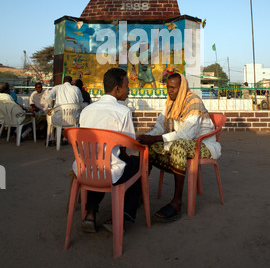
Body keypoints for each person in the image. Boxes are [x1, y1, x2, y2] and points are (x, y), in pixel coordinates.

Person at [137, 72, 221, 222]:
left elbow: (187, 134)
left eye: (173, 88)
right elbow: (159, 127)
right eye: (168, 87)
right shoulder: (170, 102)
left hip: (203, 144)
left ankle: (177, 202)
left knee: (177, 147)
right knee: (147, 148)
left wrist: (156, 138)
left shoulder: (194, 102)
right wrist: (148, 137)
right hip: (182, 141)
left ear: (182, 88)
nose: (170, 91)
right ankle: (138, 194)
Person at [73, 67, 144, 233]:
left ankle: (90, 212)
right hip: (108, 172)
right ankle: (122, 215)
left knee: (99, 164)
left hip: (84, 169)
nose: (129, 90)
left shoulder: (86, 110)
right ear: (117, 89)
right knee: (139, 163)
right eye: (127, 86)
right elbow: (129, 146)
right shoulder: (123, 112)